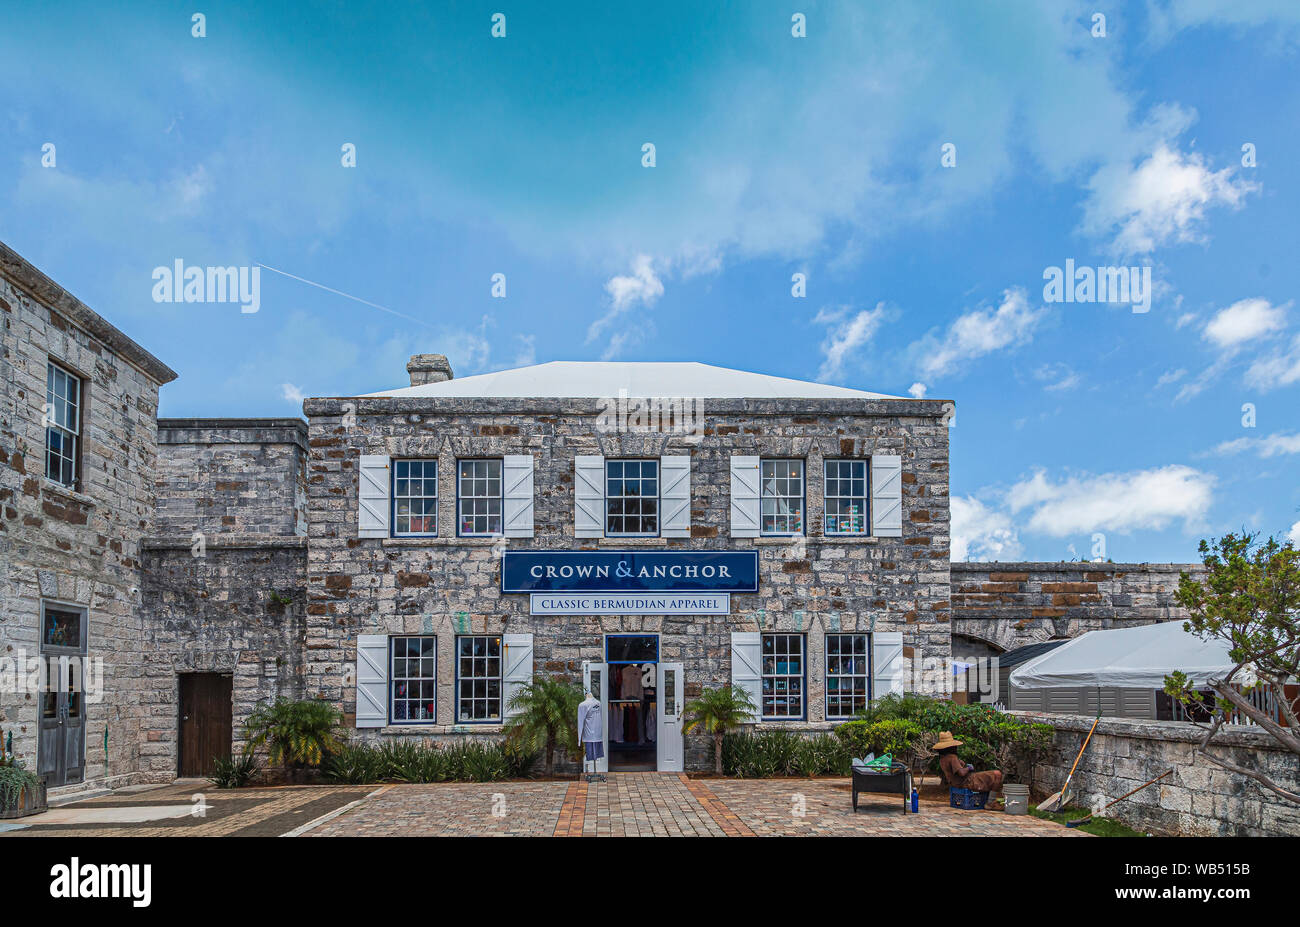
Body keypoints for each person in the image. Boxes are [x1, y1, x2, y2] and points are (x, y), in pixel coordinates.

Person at [934, 731, 1003, 793]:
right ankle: (991, 801)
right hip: (966, 782)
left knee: (991, 775)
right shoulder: (952, 757)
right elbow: (962, 773)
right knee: (997, 774)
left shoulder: (942, 758)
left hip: (956, 783)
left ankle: (990, 799)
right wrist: (969, 768)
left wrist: (962, 764)